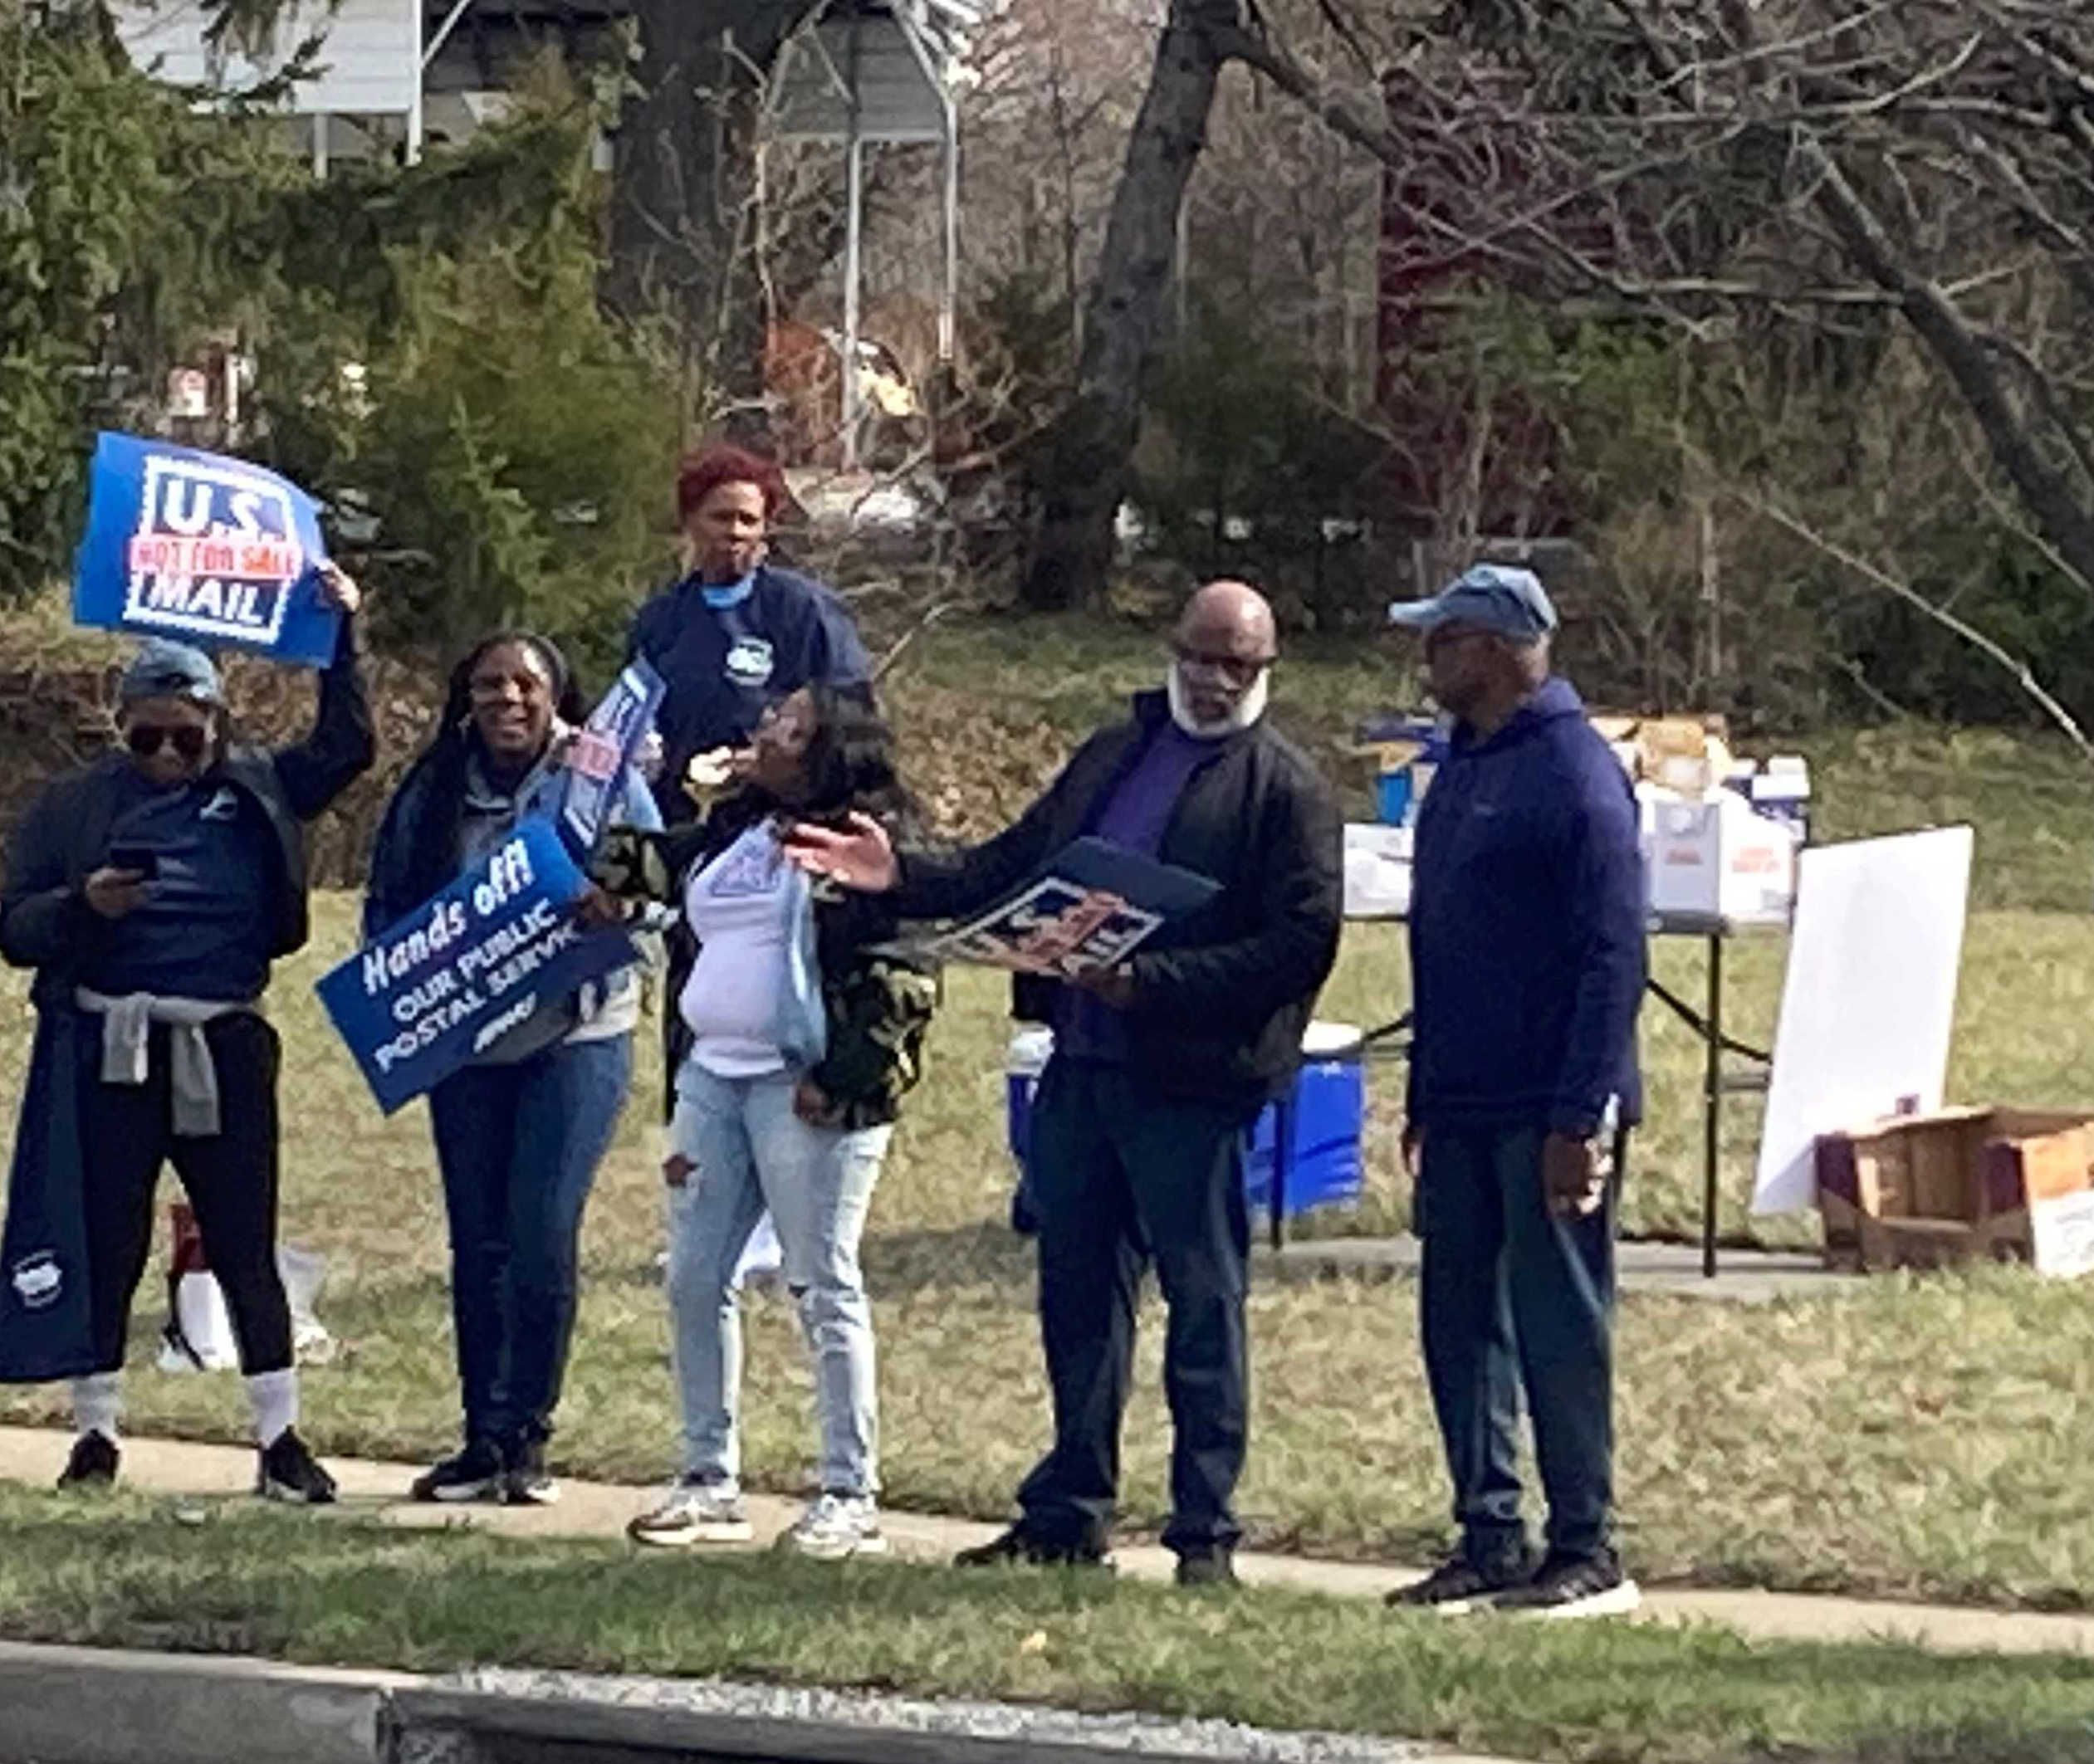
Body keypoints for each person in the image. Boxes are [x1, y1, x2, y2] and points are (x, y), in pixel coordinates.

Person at [787, 580, 1342, 1584]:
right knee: (1077, 1299)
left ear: (1267, 667)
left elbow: (1299, 945)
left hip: (1191, 1083)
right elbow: (1012, 866)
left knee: (1201, 1306)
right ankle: (1067, 1513)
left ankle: (1203, 1533)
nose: (1215, 681)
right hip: (1083, 1072)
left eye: (1240, 665)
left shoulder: (1283, 786)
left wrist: (1148, 983)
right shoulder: (1113, 753)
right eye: (1201, 656)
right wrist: (899, 873)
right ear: (1170, 647)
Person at [0, 576, 374, 1503]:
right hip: (111, 1042)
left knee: (242, 1240)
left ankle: (278, 1440)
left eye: (183, 736)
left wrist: (343, 630)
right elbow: (12, 930)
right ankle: (96, 1434)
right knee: (107, 1239)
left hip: (223, 1042)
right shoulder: (75, 806)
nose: (163, 753)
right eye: (143, 736)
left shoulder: (259, 785)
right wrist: (82, 905)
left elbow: (348, 748)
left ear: (215, 724)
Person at [594, 685, 937, 1561]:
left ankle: (847, 1494)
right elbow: (649, 865)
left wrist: (843, 1074)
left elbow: (907, 975)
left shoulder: (864, 845)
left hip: (807, 1093)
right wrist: (595, 831)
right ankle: (708, 1480)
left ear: (827, 751)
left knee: (819, 1282)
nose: (764, 736)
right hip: (712, 1078)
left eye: (787, 728)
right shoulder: (735, 829)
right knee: (693, 1275)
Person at [1383, 564, 1646, 1619]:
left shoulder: (1573, 776)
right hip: (1461, 1100)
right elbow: (1441, 943)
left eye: (1440, 639)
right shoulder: (1461, 766)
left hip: (1547, 1105)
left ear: (1490, 649)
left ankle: (1586, 1545)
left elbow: (1612, 954)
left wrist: (1580, 1115)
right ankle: (1489, 1534)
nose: (1427, 657)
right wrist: (1423, 1087)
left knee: (1555, 1323)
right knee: (1460, 1323)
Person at [363, 633, 657, 1507]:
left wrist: (617, 901)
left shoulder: (600, 776)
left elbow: (653, 881)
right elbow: (387, 903)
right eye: (488, 683)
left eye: (525, 683)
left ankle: (529, 1437)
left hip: (576, 1035)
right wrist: (397, 995)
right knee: (477, 1241)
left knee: (539, 1230)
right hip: (465, 1040)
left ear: (556, 692)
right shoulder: (434, 786)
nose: (507, 699)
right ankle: (479, 1440)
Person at [628, 442, 874, 817]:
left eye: (749, 520)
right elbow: (634, 719)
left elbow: (851, 719)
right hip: (676, 819)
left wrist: (760, 760)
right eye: (721, 518)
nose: (736, 532)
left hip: (774, 820)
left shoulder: (804, 611)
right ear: (690, 521)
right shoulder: (660, 621)